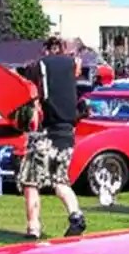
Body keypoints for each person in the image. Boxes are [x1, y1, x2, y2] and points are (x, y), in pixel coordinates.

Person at [18, 35, 86, 238]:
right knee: (60, 181)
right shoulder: (72, 64)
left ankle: (33, 227)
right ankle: (76, 216)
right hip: (68, 133)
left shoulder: (41, 64)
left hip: (46, 134)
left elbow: (24, 77)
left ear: (48, 49)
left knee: (30, 181)